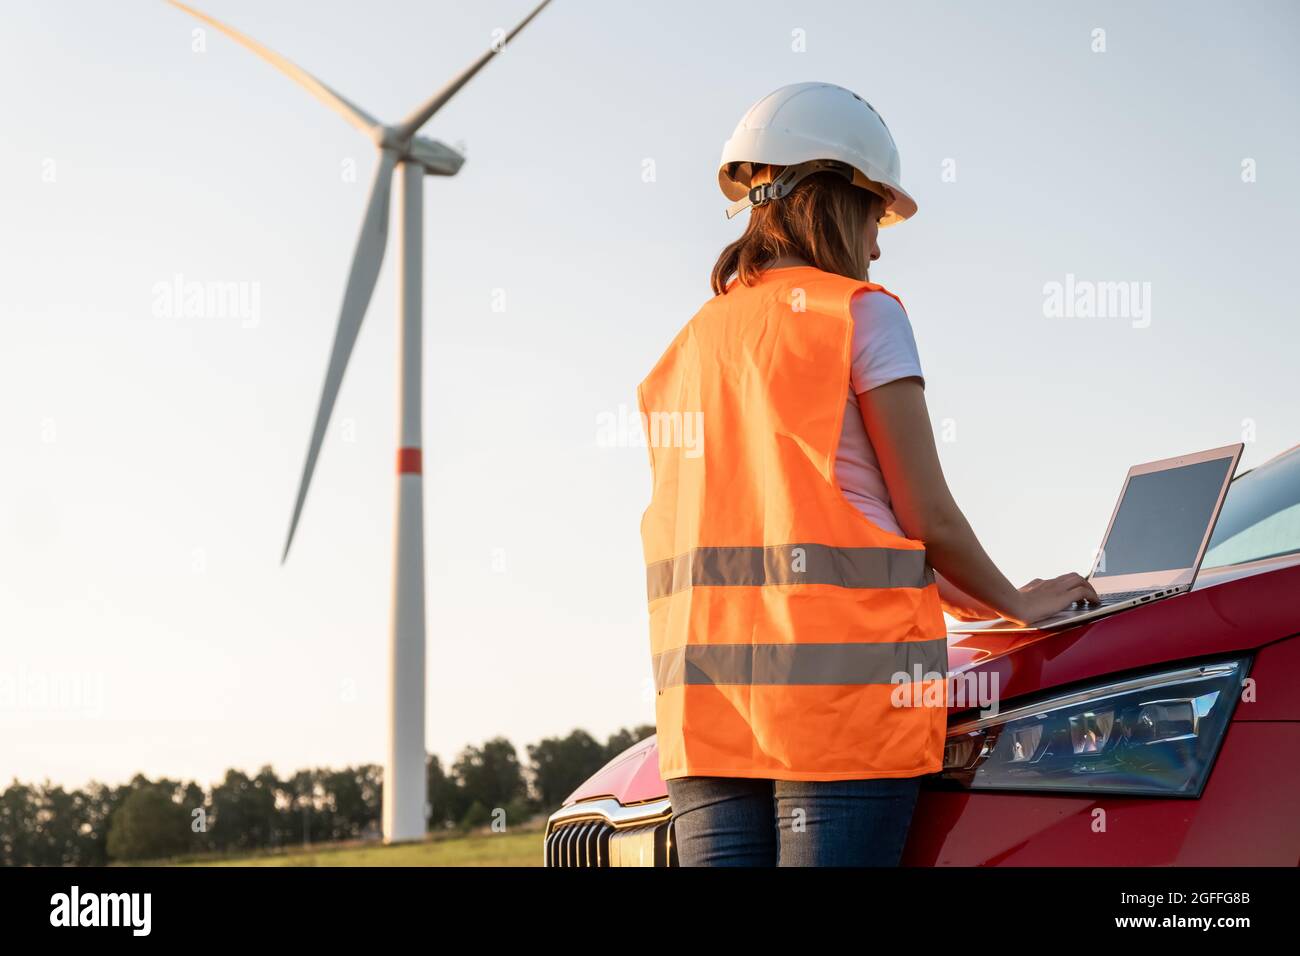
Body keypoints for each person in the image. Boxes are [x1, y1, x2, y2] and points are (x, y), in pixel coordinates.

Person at [636, 82, 1099, 867]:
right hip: (844, 715)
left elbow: (839, 526)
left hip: (704, 718)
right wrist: (1017, 603)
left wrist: (974, 604)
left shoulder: (681, 353)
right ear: (832, 196)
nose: (879, 245)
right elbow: (928, 517)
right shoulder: (859, 312)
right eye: (876, 215)